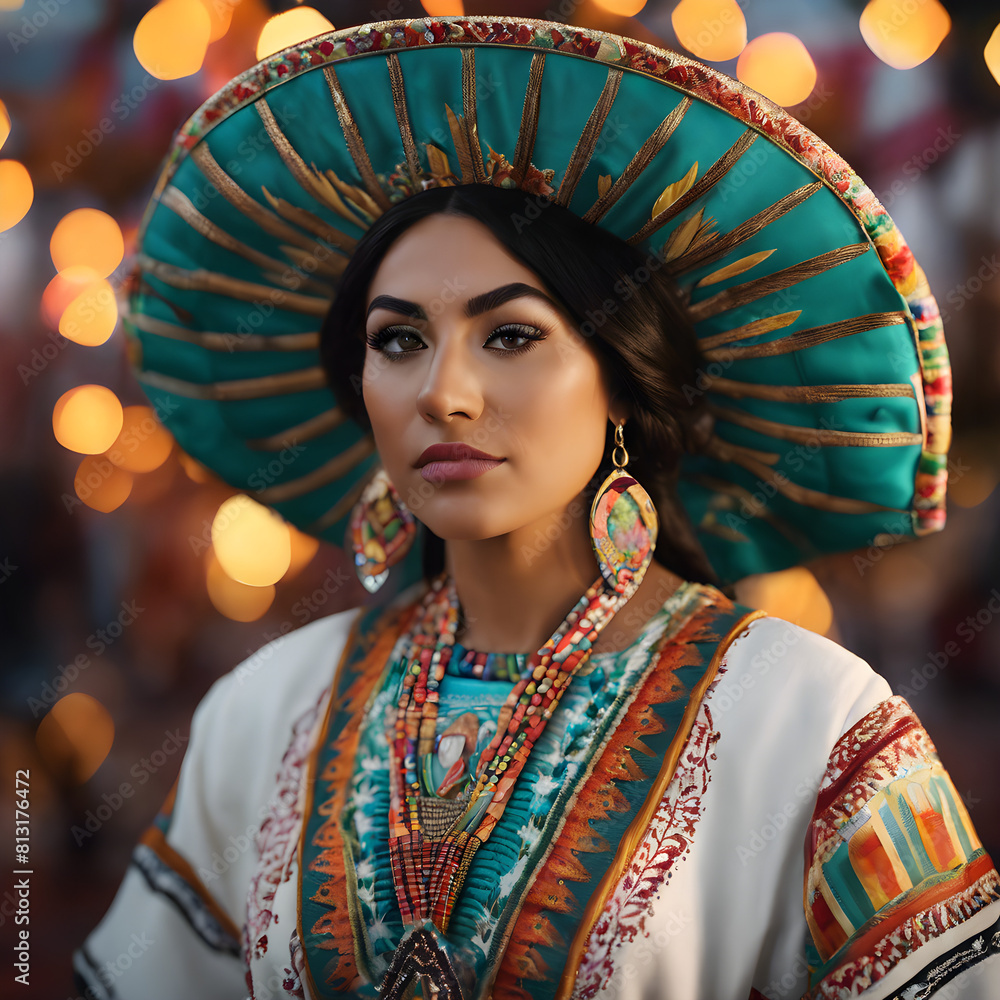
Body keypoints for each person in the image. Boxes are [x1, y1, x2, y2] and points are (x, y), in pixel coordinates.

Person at [75, 15, 1000, 1000]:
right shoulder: (265, 711)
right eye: (397, 341)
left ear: (620, 377)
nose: (445, 392)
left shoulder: (808, 722)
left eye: (509, 335)